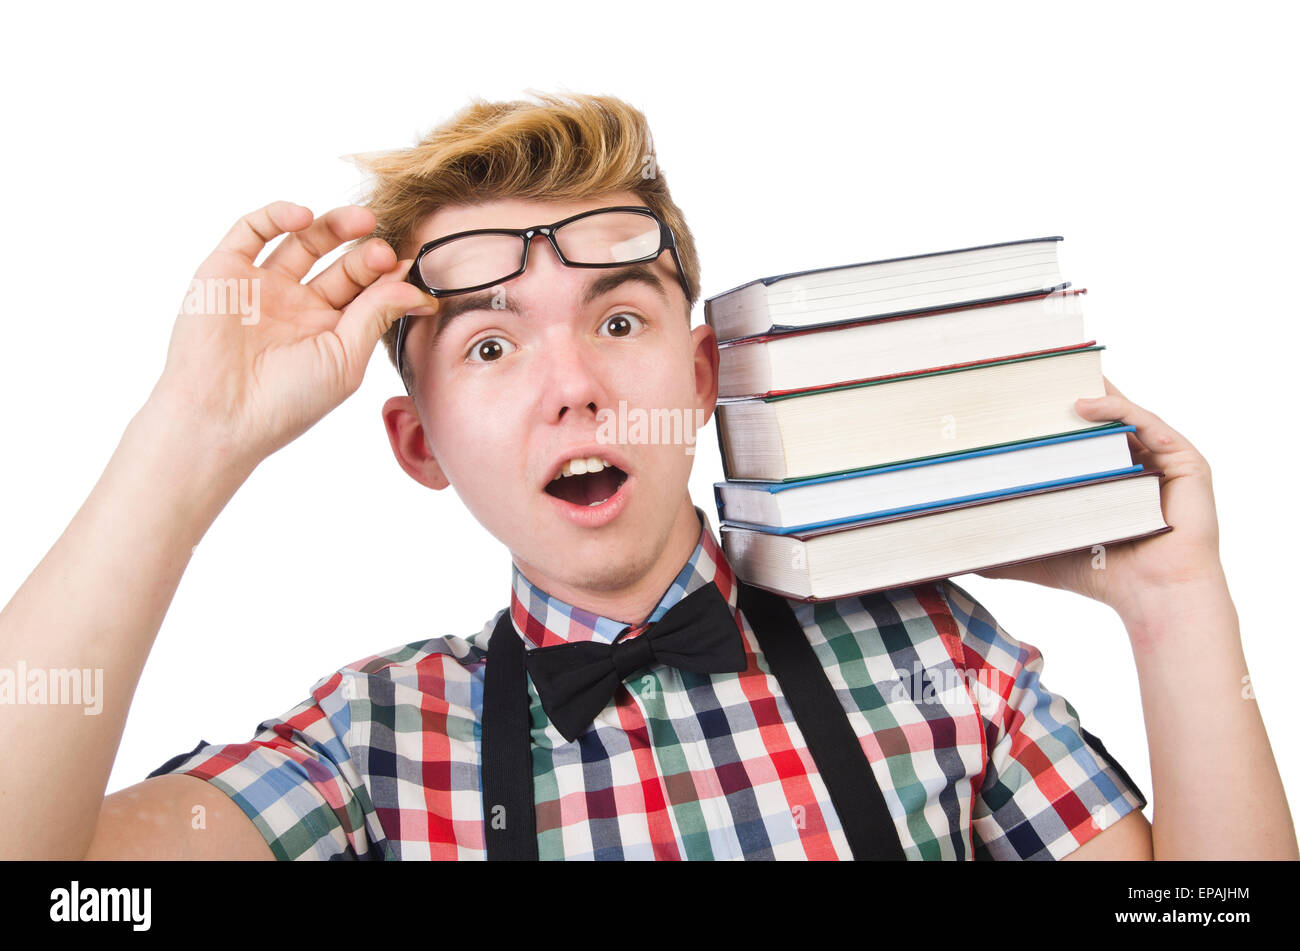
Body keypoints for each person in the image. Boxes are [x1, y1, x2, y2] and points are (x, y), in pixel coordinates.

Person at [1, 92, 1293, 861]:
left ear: (702, 375)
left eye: (618, 321)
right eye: (493, 342)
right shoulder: (371, 749)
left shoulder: (936, 654)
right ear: (419, 446)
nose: (576, 383)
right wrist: (189, 430)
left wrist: (1178, 605)